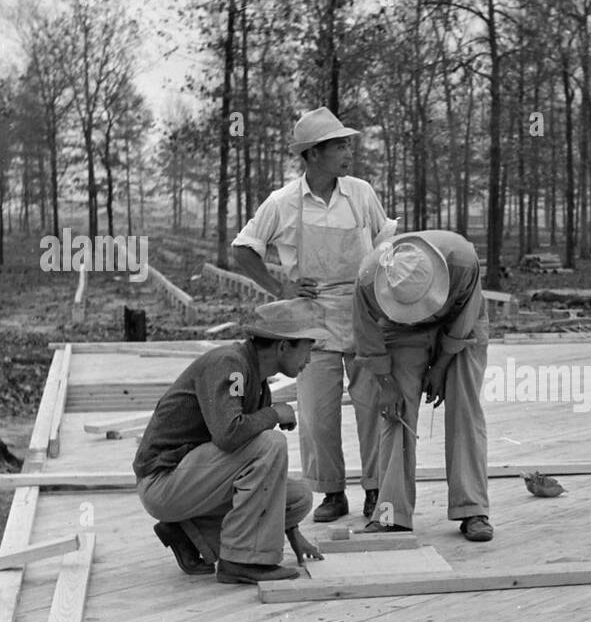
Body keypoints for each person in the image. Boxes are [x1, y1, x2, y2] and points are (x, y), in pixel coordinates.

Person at [231, 108, 396, 527]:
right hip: (311, 319)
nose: (347, 151)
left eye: (346, 143)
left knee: (371, 407)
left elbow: (385, 246)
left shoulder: (360, 193)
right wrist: (279, 288)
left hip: (363, 312)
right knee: (317, 414)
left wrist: (387, 299)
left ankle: (376, 489)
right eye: (339, 145)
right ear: (313, 154)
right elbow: (243, 248)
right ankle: (332, 492)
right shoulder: (283, 202)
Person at [133, 300, 326, 584]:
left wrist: (293, 534)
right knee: (271, 443)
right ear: (283, 346)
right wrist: (274, 414)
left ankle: (190, 535)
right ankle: (240, 561)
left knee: (297, 499)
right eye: (307, 349)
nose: (308, 360)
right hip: (163, 481)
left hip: (191, 480)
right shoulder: (230, 364)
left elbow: (262, 478)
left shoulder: (256, 381)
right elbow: (228, 435)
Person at [353, 231, 493, 542]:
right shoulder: (367, 278)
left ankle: (473, 509)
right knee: (395, 413)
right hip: (400, 330)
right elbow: (367, 337)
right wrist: (385, 384)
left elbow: (464, 322)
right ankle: (391, 514)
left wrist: (441, 366)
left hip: (461, 326)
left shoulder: (463, 262)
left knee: (464, 409)